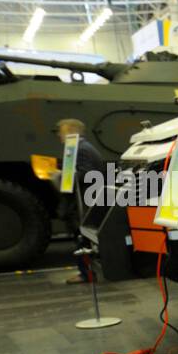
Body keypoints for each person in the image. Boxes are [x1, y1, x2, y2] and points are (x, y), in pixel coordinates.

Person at [54, 119, 106, 283]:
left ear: (70, 132)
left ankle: (87, 274)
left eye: (61, 132)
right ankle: (87, 272)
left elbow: (86, 174)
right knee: (83, 238)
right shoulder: (82, 148)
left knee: (82, 238)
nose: (59, 136)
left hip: (83, 202)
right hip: (84, 200)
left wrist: (59, 175)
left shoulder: (81, 149)